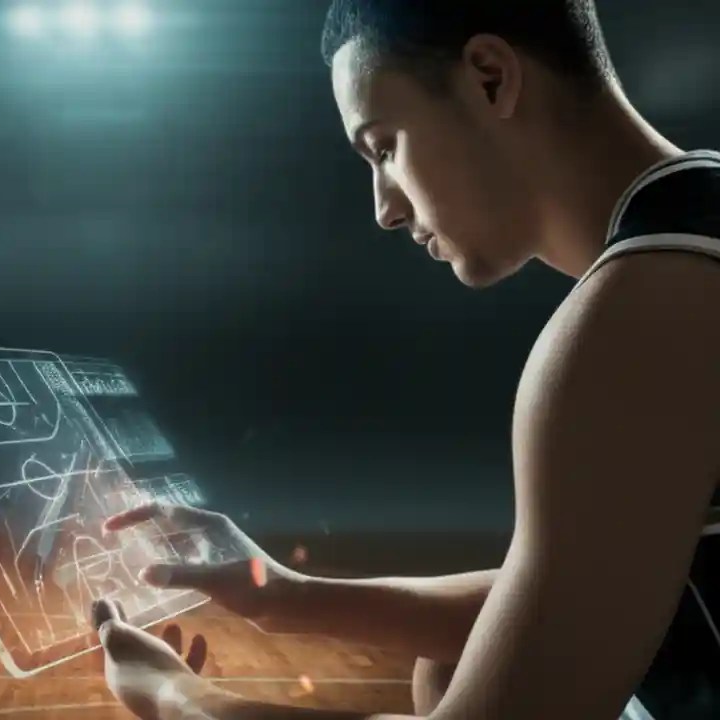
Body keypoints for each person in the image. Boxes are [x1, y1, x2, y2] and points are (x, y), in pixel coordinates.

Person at [93, 1, 720, 718]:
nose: (384, 208)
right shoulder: (694, 228)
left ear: (490, 78)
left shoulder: (635, 323)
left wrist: (174, 698)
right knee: (444, 667)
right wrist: (284, 596)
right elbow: (593, 582)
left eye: (384, 146)